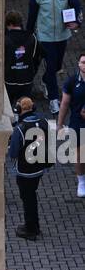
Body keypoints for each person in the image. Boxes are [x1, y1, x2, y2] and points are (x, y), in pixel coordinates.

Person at [8, 96, 49, 239]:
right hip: (39, 168)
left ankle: (31, 229)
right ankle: (34, 225)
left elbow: (13, 152)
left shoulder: (20, 129)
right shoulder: (44, 122)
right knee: (31, 196)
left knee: (28, 199)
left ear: (19, 110)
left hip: (25, 171)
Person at [56, 50, 85, 197]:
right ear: (79, 64)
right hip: (77, 123)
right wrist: (59, 124)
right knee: (80, 155)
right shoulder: (72, 82)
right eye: (83, 62)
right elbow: (64, 104)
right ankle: (81, 182)